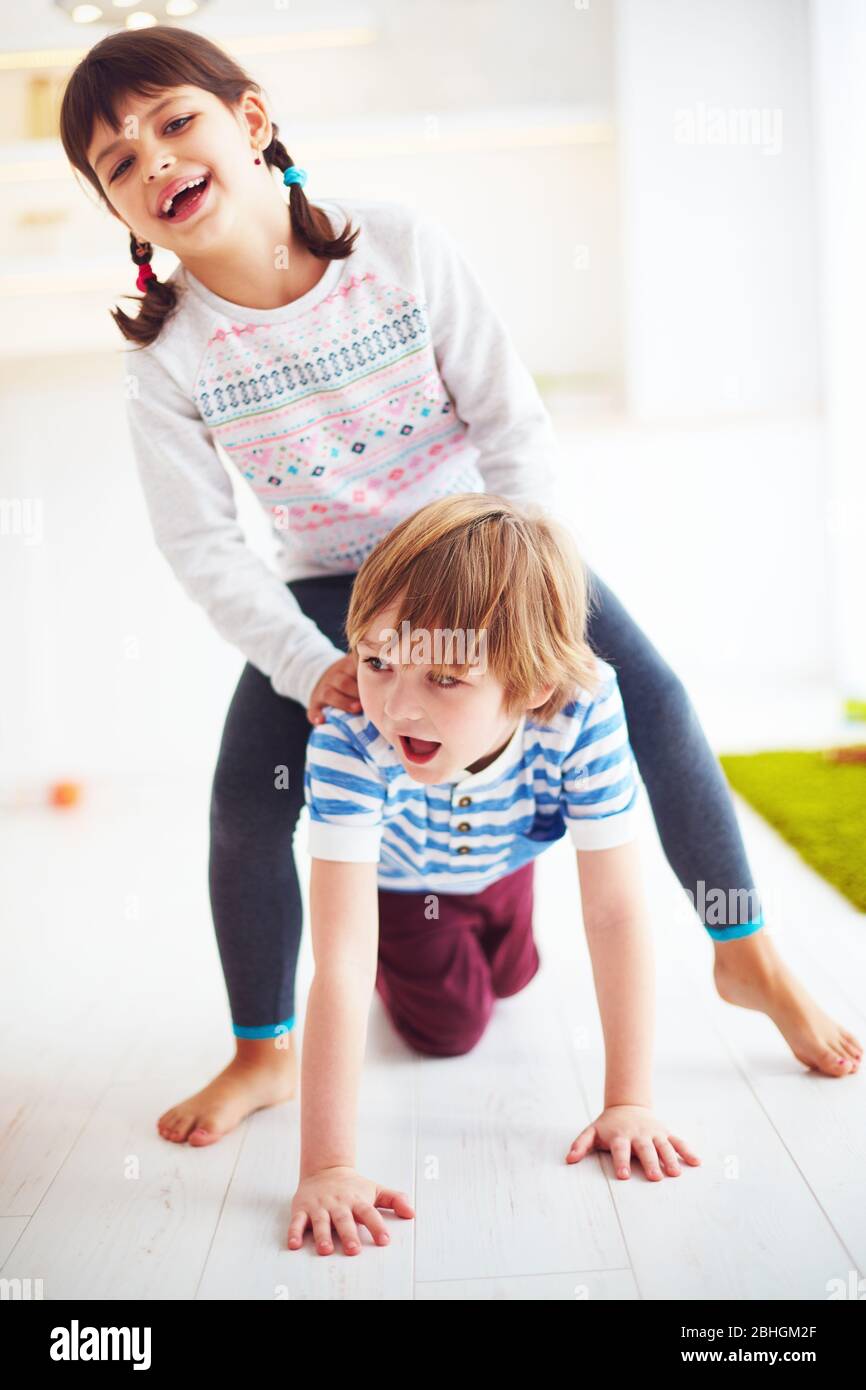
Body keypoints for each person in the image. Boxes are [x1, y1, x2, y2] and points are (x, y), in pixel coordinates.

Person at [58, 26, 861, 1155]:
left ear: (248, 122)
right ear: (121, 212)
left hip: (486, 551)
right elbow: (203, 548)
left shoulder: (396, 247)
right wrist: (307, 666)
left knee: (655, 699)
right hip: (333, 594)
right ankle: (263, 1046)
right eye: (118, 161)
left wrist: (524, 582)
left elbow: (508, 422)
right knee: (247, 806)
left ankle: (745, 950)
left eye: (173, 122)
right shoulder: (169, 359)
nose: (153, 161)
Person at [292, 492, 703, 1257]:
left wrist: (630, 1102)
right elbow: (340, 957)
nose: (398, 707)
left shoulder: (583, 709)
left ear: (532, 687)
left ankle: (492, 938)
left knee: (515, 977)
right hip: (403, 890)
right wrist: (327, 1165)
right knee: (449, 1029)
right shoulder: (350, 740)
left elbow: (614, 911)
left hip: (506, 862)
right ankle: (415, 969)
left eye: (444, 681)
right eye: (378, 661)